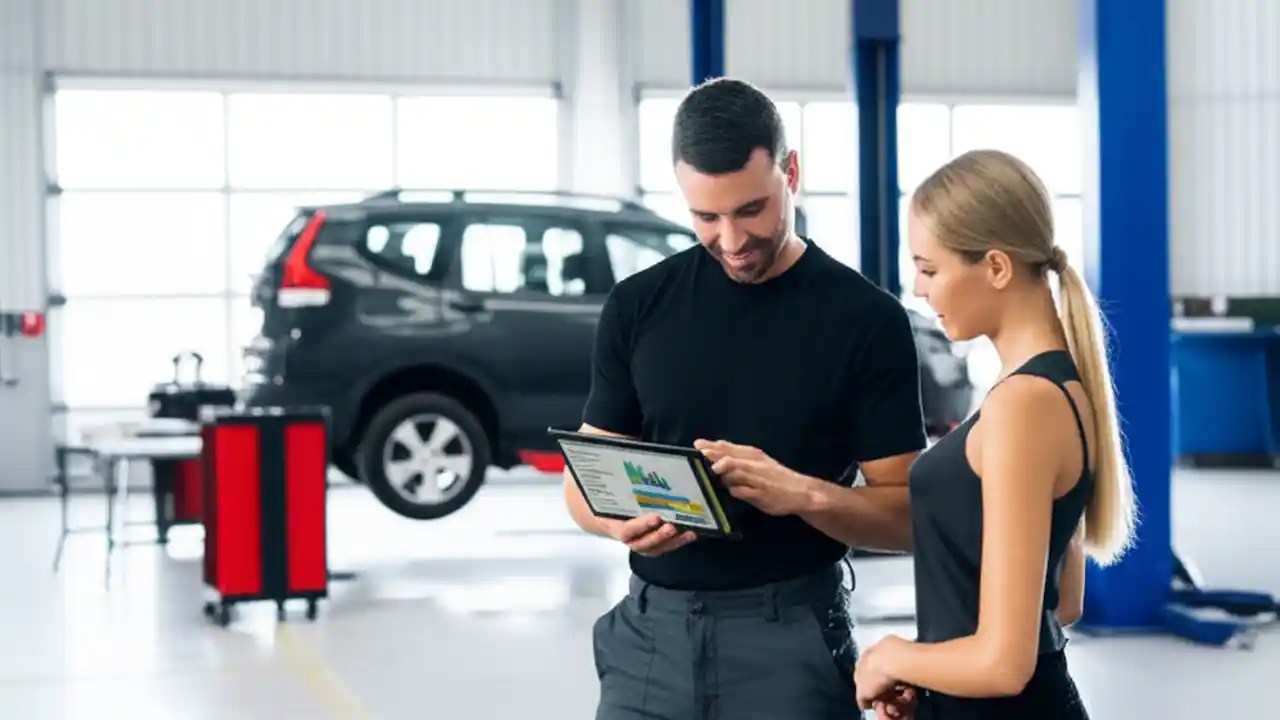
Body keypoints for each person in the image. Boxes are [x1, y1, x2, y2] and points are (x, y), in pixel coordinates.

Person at [561, 77, 929, 720]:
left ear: (792, 172)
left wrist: (803, 493)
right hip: (648, 640)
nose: (731, 240)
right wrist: (618, 523)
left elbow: (906, 518)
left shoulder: (865, 320)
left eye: (751, 210)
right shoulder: (638, 305)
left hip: (789, 640)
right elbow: (583, 480)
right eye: (706, 217)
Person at [852, 149, 1137, 720]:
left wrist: (893, 656)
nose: (920, 289)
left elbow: (1006, 663)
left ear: (997, 268)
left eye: (930, 269)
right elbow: (1064, 602)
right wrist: (932, 676)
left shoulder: (1024, 406)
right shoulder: (1054, 390)